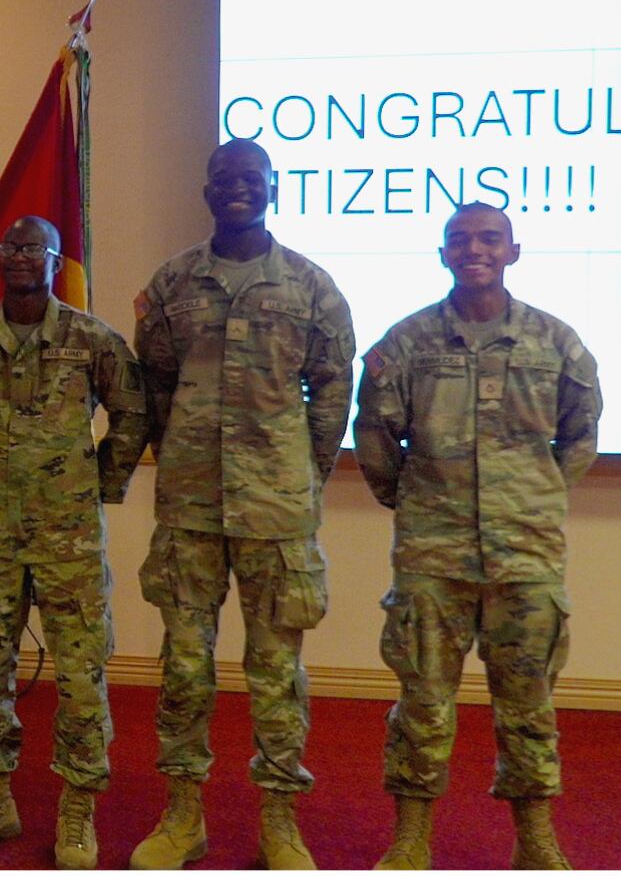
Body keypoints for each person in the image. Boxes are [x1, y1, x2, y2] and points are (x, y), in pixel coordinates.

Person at [130, 139, 354, 869]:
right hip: (191, 507)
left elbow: (332, 396)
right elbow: (154, 386)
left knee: (276, 674)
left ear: (272, 188)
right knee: (185, 668)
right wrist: (184, 455)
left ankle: (280, 823)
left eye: (250, 179)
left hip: (276, 513)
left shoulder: (312, 288)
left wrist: (298, 475)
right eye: (224, 179)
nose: (237, 189)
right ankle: (182, 816)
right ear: (207, 191)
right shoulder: (171, 285)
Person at [354, 203, 599, 870]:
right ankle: (410, 838)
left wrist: (538, 496)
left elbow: (581, 434)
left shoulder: (557, 342)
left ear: (514, 250)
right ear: (442, 256)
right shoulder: (404, 344)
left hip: (527, 558)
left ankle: (535, 838)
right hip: (433, 555)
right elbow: (374, 435)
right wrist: (410, 502)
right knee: (422, 704)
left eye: (490, 238)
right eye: (459, 241)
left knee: (528, 706)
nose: (475, 250)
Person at [0, 217, 148, 869]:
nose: (20, 258)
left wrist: (97, 482)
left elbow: (133, 411)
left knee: (82, 673)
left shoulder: (90, 337)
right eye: (11, 248)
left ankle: (77, 808)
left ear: (56, 260)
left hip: (69, 539)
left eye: (34, 249)